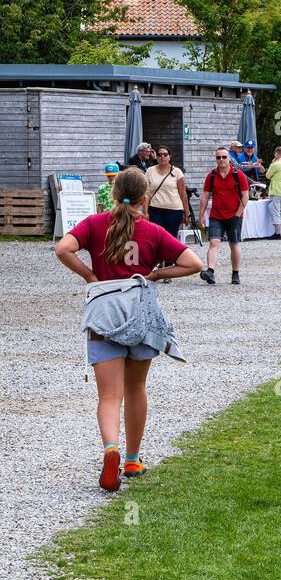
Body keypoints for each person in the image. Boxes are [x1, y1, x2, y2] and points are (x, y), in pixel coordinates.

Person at [54, 167, 203, 491]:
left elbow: (63, 248)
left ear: (113, 193)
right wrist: (157, 275)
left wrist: (90, 276)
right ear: (144, 198)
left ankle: (111, 449)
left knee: (109, 395)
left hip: (104, 312)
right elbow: (195, 263)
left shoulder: (94, 225)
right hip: (139, 315)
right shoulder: (152, 231)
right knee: (136, 389)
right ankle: (133, 458)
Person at [198, 147, 249, 284]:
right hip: (216, 215)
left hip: (234, 215)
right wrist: (201, 215)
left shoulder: (238, 175)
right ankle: (210, 271)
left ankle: (235, 273)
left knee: (234, 244)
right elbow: (205, 195)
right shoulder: (212, 175)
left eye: (224, 157)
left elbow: (245, 196)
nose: (221, 160)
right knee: (214, 242)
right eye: (218, 157)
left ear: (229, 159)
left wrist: (238, 214)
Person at [144, 146, 191, 239]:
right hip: (155, 209)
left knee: (170, 238)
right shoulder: (150, 171)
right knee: (155, 237)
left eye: (165, 154)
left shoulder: (177, 172)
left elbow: (183, 194)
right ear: (156, 157)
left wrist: (187, 213)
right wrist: (145, 212)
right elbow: (146, 194)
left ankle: (170, 254)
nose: (162, 157)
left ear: (169, 157)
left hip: (174, 210)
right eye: (159, 155)